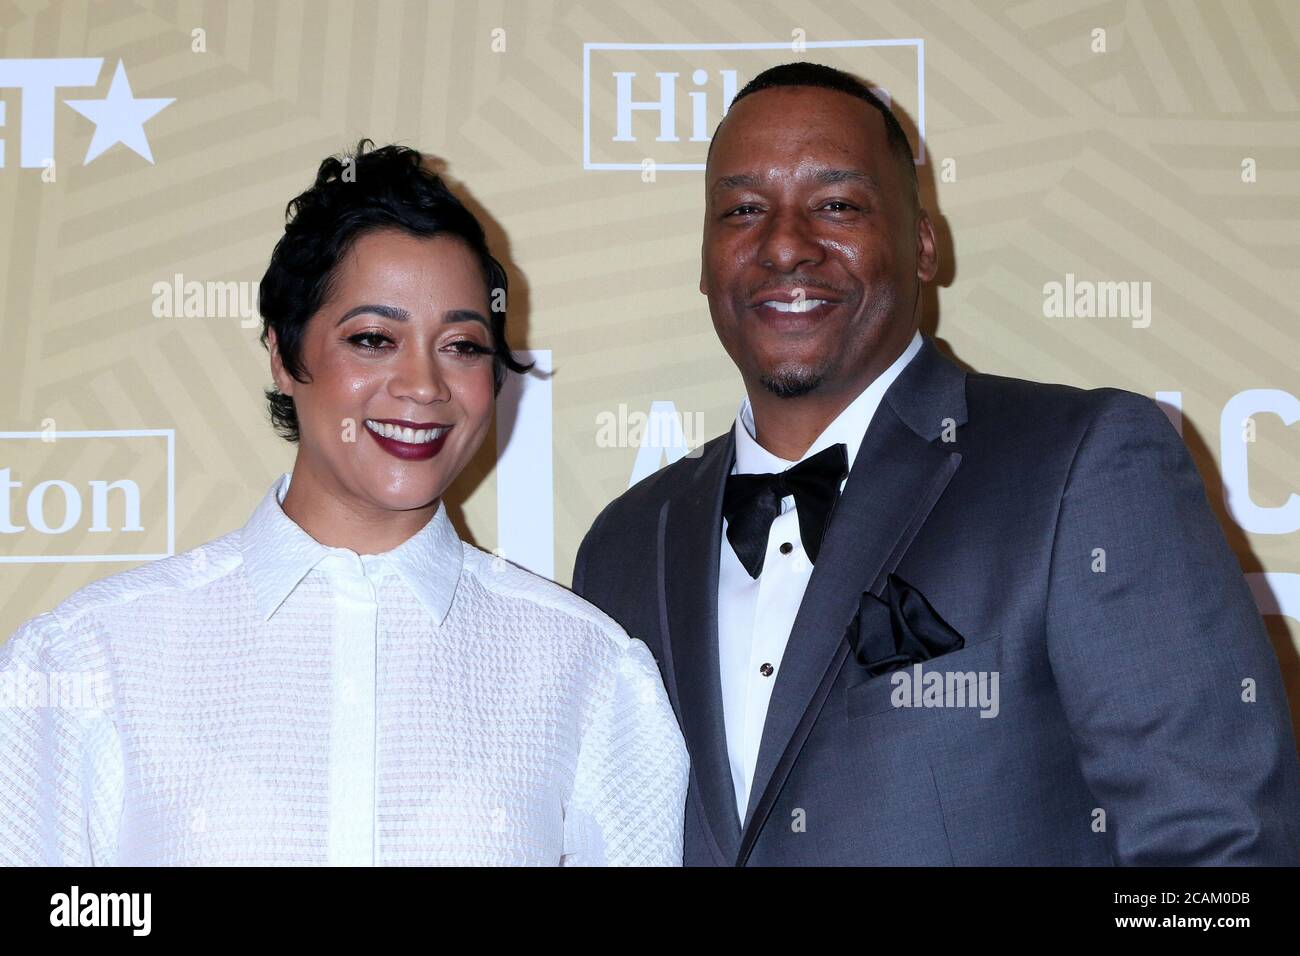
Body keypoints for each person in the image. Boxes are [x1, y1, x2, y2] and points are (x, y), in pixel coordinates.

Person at [572, 63, 1300, 865]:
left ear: (923, 245)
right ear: (706, 262)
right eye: (743, 210)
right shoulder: (624, 545)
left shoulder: (1080, 466)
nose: (783, 244)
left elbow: (1224, 854)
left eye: (837, 205)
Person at [0, 140, 687, 866]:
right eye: (372, 338)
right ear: (283, 351)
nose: (423, 385)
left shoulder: (588, 669)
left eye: (462, 346)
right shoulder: (89, 659)